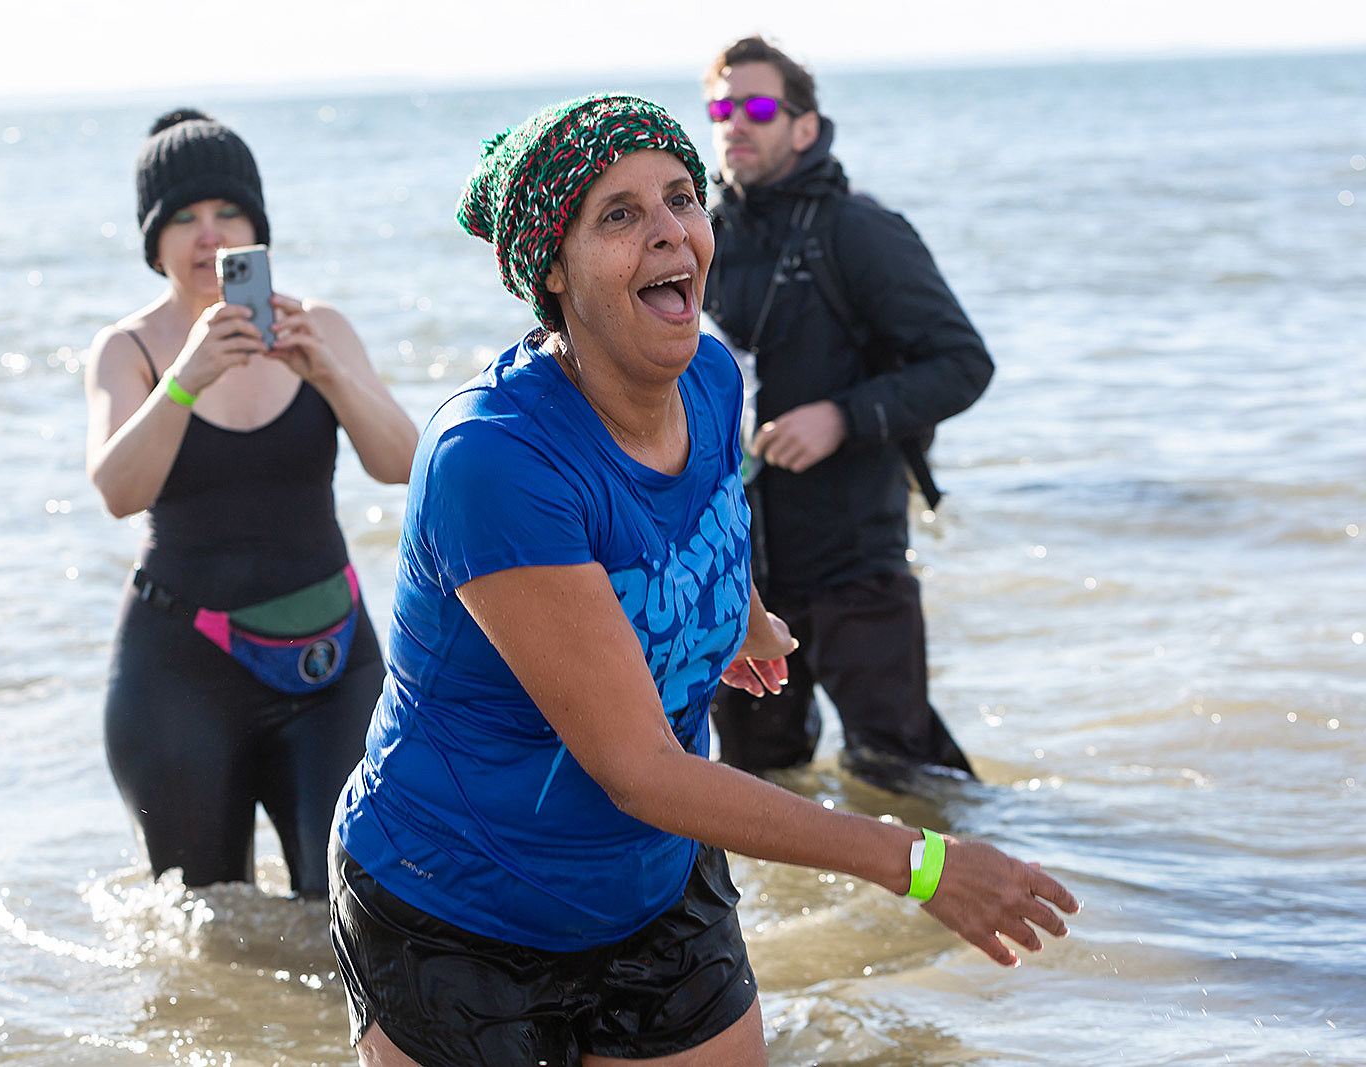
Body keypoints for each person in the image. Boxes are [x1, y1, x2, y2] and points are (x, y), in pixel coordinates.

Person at [328, 94, 1077, 1067]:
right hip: (457, 901)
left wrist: (739, 619)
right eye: (619, 213)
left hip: (651, 879)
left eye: (681, 196)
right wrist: (919, 859)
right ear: (551, 269)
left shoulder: (711, 376)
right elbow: (636, 768)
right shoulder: (493, 459)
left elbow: (702, 513)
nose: (670, 230)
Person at [84, 109, 418, 897]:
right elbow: (116, 490)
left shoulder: (321, 326)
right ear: (153, 240)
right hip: (179, 672)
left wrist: (328, 373)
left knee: (359, 899)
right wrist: (185, 378)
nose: (209, 236)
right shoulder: (126, 350)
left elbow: (405, 462)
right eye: (184, 218)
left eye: (227, 212)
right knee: (209, 926)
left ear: (256, 227)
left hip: (332, 656)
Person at [702, 35, 996, 789]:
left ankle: (952, 894)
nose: (737, 120)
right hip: (739, 572)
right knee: (757, 783)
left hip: (855, 560)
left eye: (759, 105)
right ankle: (801, 912)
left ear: (804, 126)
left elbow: (964, 364)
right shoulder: (699, 236)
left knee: (904, 774)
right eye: (723, 106)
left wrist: (841, 417)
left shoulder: (858, 230)